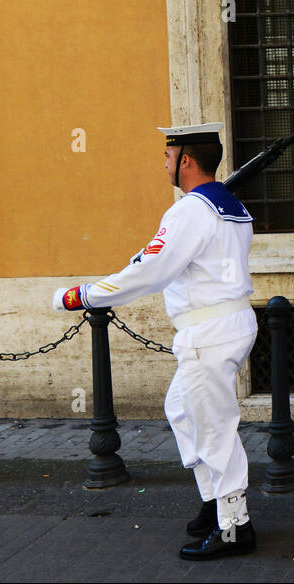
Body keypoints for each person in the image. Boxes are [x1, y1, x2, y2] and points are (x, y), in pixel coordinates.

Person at [52, 122, 258, 561]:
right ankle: (215, 501)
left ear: (185, 159)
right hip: (224, 325)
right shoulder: (228, 206)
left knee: (214, 430)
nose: (162, 162)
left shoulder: (188, 212)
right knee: (182, 409)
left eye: (168, 155)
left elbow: (150, 272)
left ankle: (236, 527)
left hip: (209, 331)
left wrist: (83, 294)